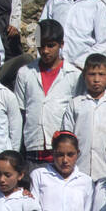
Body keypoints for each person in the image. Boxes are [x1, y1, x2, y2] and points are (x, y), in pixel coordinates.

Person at [14, 20, 83, 166]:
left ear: (61, 44)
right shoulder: (25, 73)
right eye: (41, 46)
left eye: (51, 45)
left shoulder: (74, 75)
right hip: (33, 148)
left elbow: (78, 114)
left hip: (62, 153)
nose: (45, 51)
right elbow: (20, 112)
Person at [60, 54, 106, 181]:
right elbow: (66, 138)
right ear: (84, 76)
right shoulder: (75, 104)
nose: (96, 79)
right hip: (79, 173)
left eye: (101, 74)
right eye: (92, 74)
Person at [30, 131, 95, 211]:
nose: (65, 160)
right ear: (52, 153)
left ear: (78, 154)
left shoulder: (86, 181)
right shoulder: (40, 175)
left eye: (70, 155)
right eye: (60, 155)